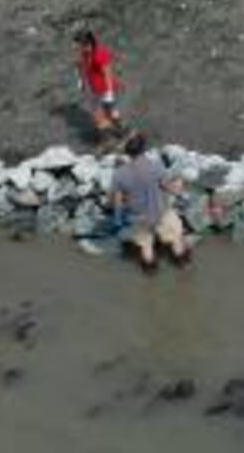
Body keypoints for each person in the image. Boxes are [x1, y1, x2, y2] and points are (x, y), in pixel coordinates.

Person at [109, 132, 192, 274]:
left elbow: (117, 200)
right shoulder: (156, 166)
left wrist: (117, 220)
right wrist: (179, 186)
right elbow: (168, 187)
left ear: (127, 153)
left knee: (146, 246)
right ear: (143, 149)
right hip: (161, 212)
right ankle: (183, 265)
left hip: (138, 217)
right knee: (176, 238)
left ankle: (150, 271)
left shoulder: (119, 174)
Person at [74, 30, 122, 144]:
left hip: (105, 89)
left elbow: (107, 73)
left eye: (80, 45)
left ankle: (117, 132)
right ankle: (107, 135)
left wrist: (109, 92)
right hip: (93, 88)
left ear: (88, 43)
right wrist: (81, 81)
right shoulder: (84, 54)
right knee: (98, 113)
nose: (77, 48)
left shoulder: (100, 54)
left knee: (109, 111)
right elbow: (79, 66)